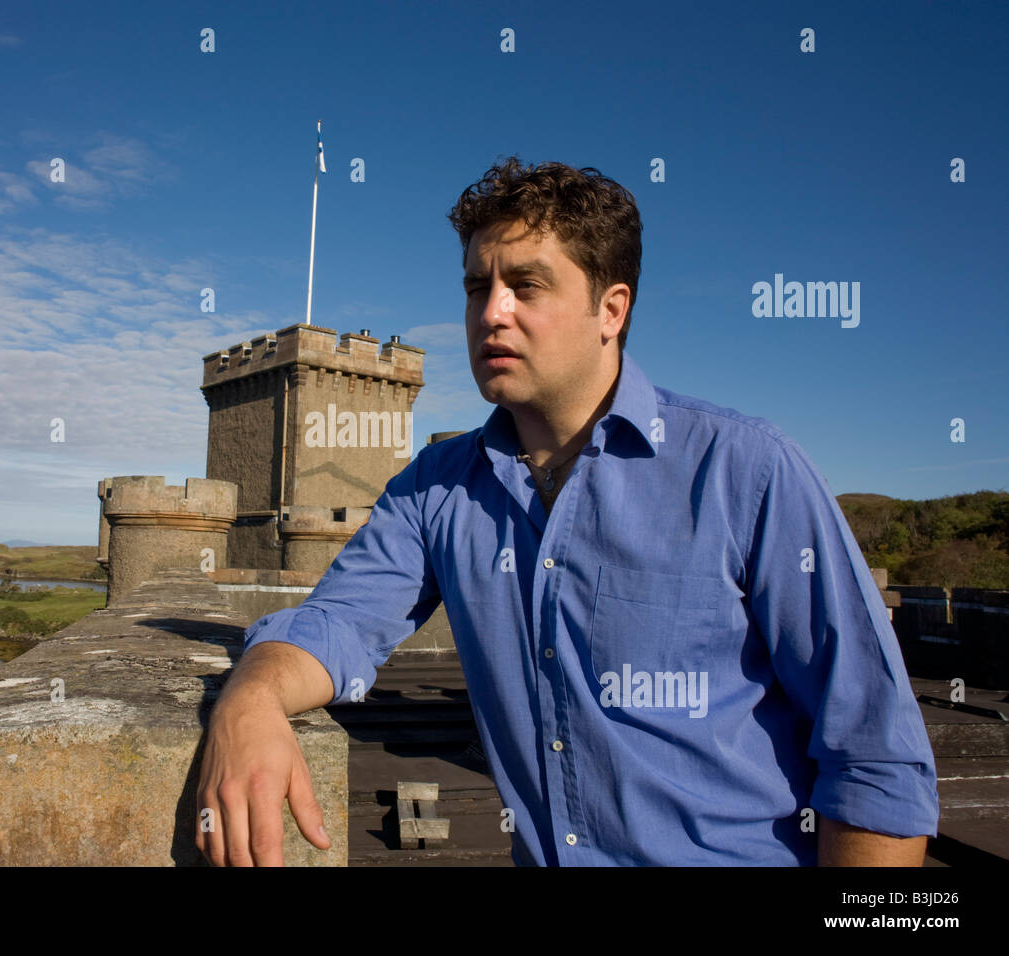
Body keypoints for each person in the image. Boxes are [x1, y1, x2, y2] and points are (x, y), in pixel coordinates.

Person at [195, 156, 939, 867]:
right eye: (476, 286)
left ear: (610, 309)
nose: (492, 312)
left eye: (526, 285)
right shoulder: (435, 490)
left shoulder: (745, 471)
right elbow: (340, 624)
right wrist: (250, 700)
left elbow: (872, 753)